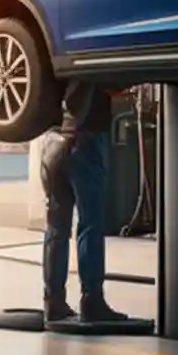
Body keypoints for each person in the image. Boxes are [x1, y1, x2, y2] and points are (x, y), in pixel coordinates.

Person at [40, 80, 130, 323]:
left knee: (56, 227)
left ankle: (53, 302)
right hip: (86, 137)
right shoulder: (94, 62)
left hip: (53, 141)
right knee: (90, 224)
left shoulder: (58, 60)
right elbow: (115, 84)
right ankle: (92, 301)